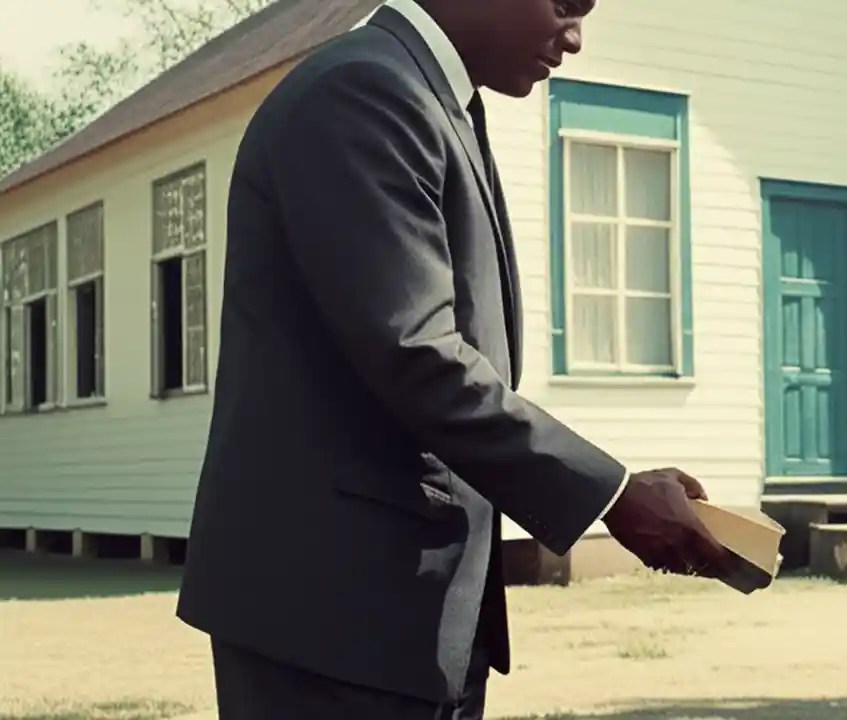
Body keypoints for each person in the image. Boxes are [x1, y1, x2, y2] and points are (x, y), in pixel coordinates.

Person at [175, 0, 734, 717]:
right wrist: (612, 494)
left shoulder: (430, 97)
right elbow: (417, 354)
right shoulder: (364, 93)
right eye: (565, 5)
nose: (575, 37)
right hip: (334, 620)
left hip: (397, 622)